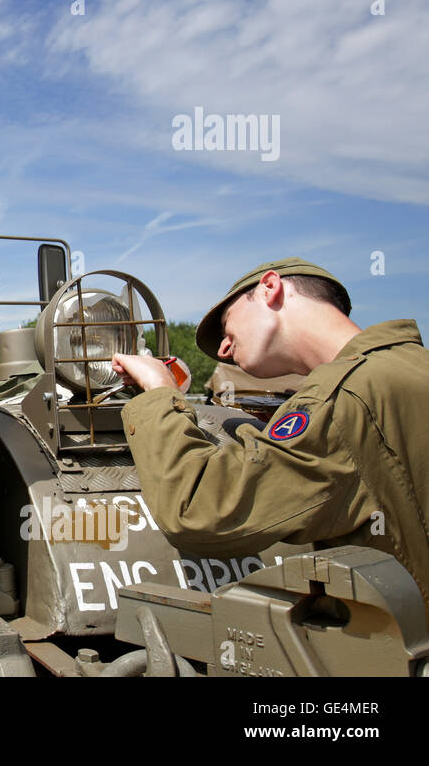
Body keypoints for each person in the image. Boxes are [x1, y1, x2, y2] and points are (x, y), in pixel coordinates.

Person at [110, 258, 429, 613]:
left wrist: (158, 391)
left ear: (271, 287)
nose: (223, 351)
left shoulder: (340, 399)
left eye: (227, 326)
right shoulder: (409, 368)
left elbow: (199, 510)